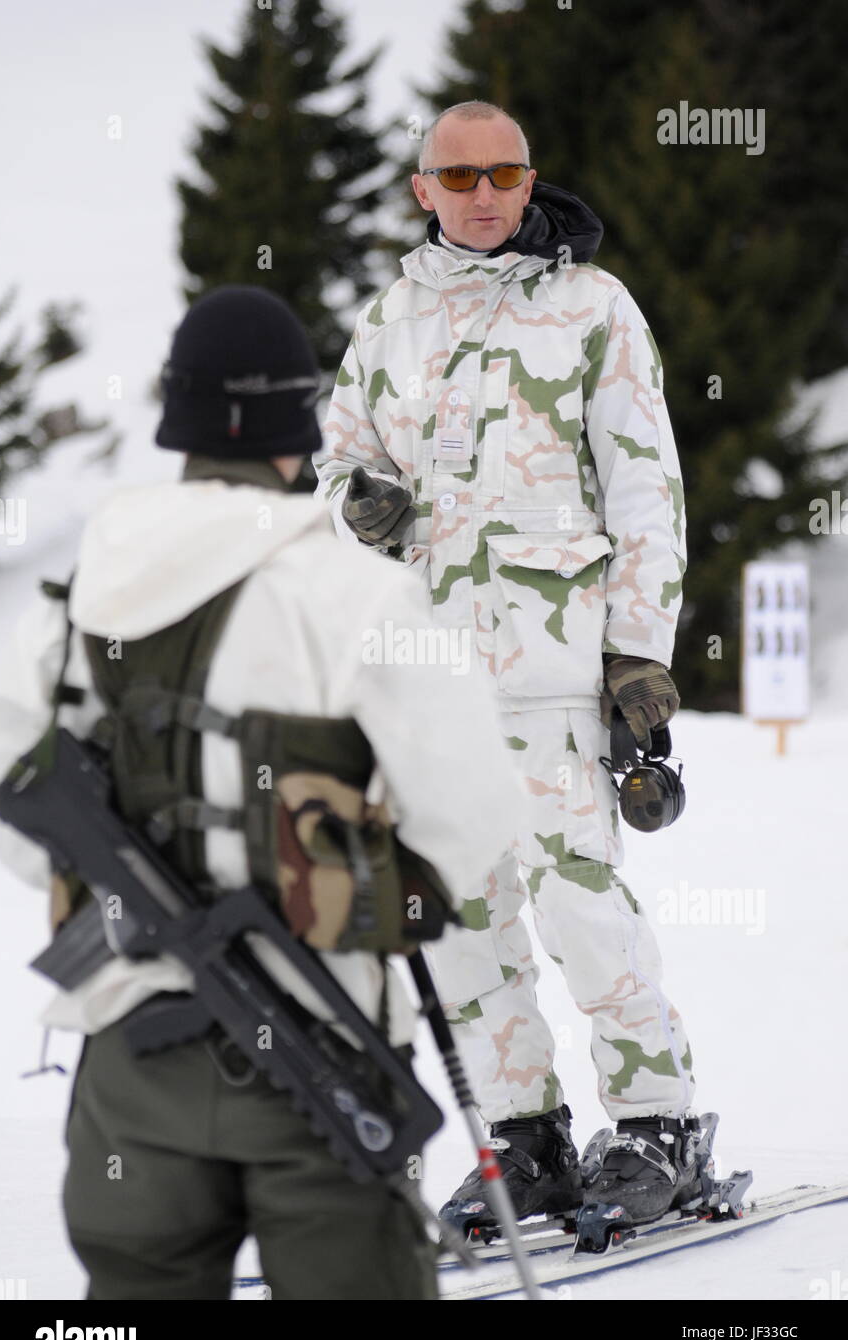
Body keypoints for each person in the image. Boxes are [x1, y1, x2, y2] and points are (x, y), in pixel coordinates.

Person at [0, 284, 525, 1300]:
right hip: (318, 1058)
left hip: (128, 1065)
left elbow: (7, 791)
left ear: (178, 419)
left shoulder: (77, 590)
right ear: (299, 424)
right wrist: (372, 883)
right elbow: (473, 812)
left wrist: (115, 882)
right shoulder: (356, 591)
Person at [314, 100, 701, 1235]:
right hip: (428, 679)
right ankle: (522, 1137)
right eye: (458, 173)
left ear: (529, 182)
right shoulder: (389, 320)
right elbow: (337, 469)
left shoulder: (592, 307)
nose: (483, 192)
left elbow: (644, 489)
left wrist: (638, 653)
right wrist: (358, 508)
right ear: (420, 189)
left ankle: (654, 1123)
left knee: (582, 905)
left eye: (505, 171)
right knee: (466, 918)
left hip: (557, 671)